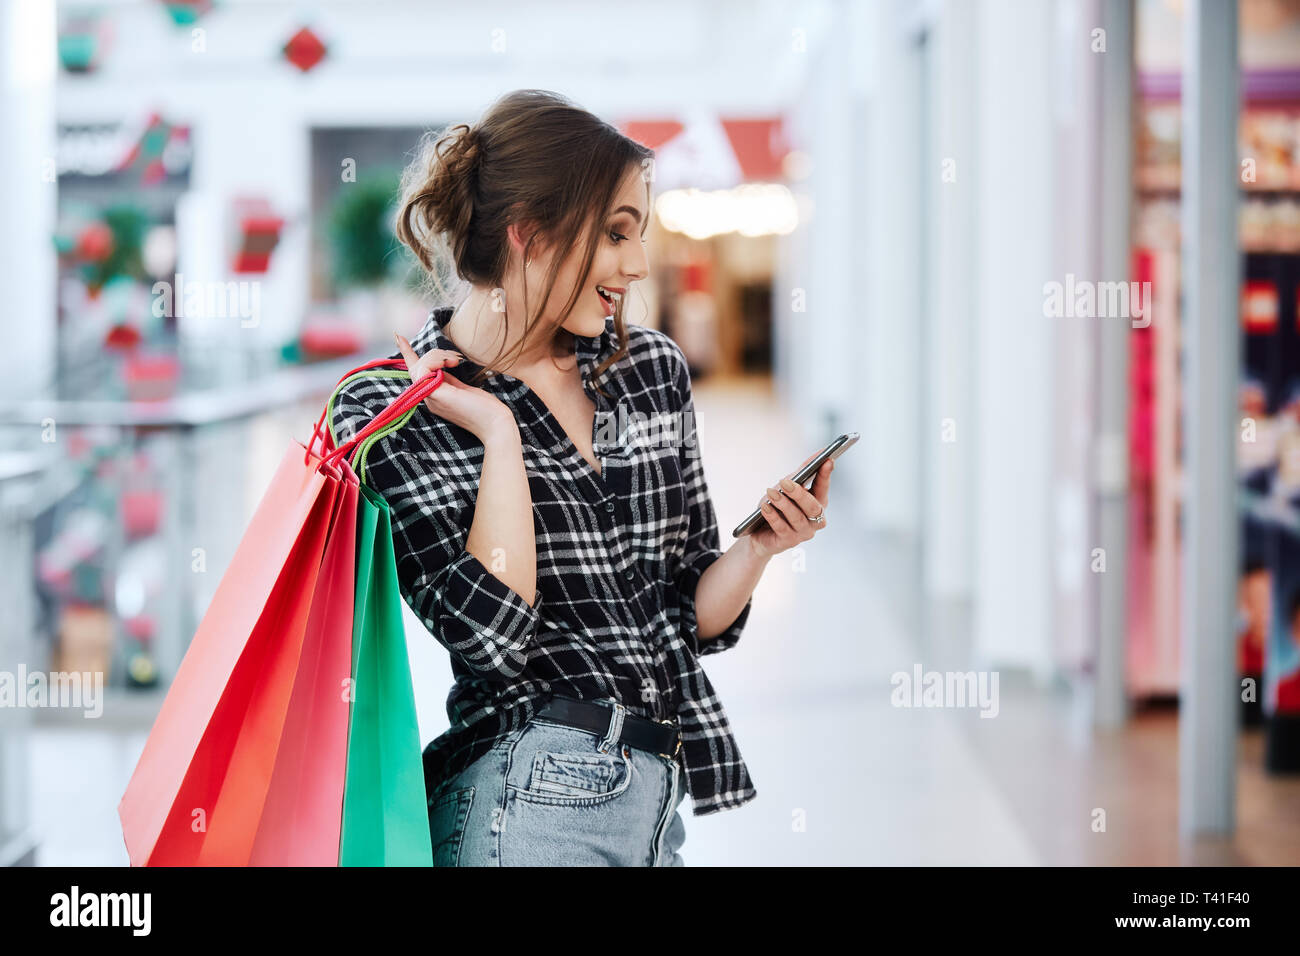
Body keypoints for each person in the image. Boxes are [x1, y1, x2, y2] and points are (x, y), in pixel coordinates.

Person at [328, 90, 836, 866]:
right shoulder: (392, 409)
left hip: (652, 802)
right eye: (615, 234)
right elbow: (494, 637)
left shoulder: (648, 370)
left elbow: (686, 613)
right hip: (524, 798)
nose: (638, 265)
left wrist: (761, 546)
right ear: (529, 233)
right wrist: (499, 431)